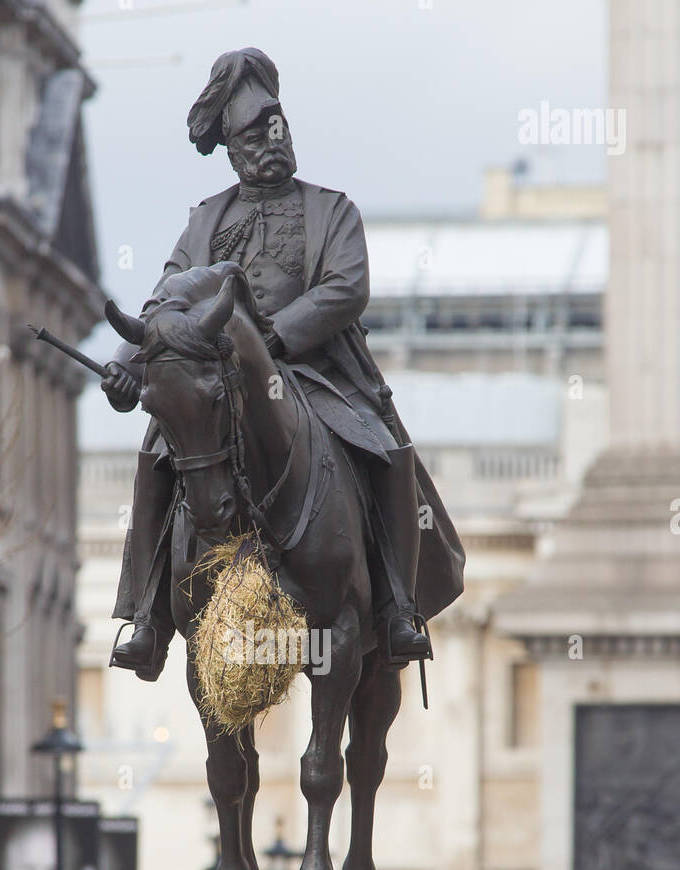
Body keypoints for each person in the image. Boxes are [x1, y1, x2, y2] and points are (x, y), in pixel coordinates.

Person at [101, 47, 464, 680]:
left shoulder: (333, 210)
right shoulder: (204, 220)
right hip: (220, 380)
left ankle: (401, 606)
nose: (272, 143)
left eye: (279, 129)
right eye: (254, 135)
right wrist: (127, 361)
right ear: (231, 148)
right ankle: (147, 615)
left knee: (383, 448)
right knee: (160, 450)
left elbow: (345, 289)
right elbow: (167, 297)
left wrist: (274, 337)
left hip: (316, 373)